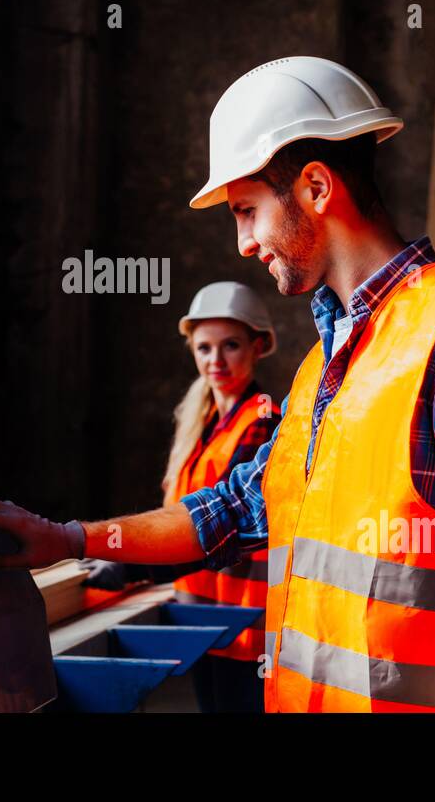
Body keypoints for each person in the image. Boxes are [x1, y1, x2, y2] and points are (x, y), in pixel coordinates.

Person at [0, 56, 435, 713]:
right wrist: (67, 539)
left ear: (316, 187)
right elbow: (233, 510)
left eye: (247, 210)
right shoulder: (323, 369)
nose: (243, 243)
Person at [85, 281, 280, 712]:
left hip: (243, 623)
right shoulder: (201, 421)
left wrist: (129, 560)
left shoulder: (262, 422)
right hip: (199, 614)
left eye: (231, 345)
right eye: (204, 348)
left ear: (258, 346)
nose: (216, 360)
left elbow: (221, 523)